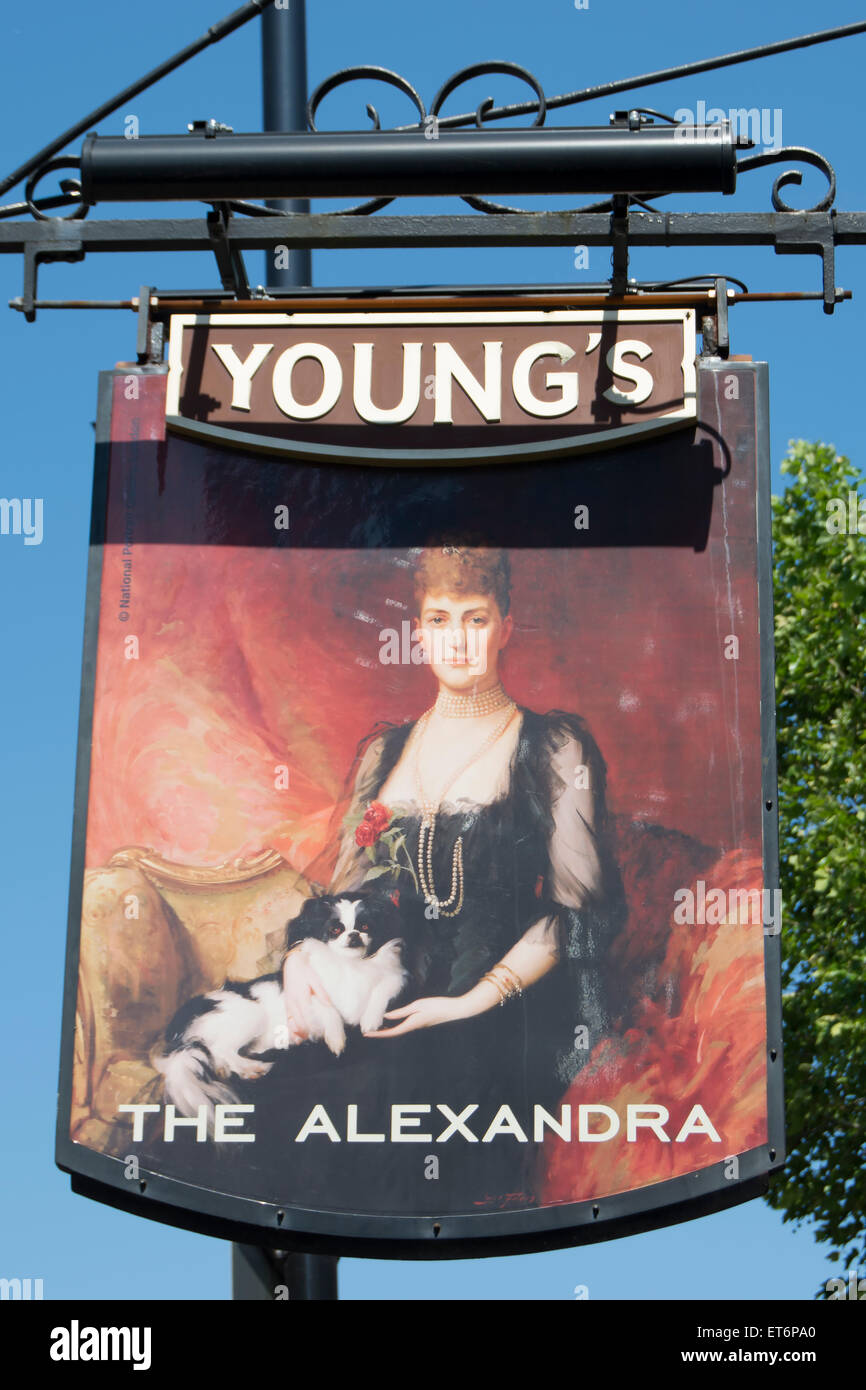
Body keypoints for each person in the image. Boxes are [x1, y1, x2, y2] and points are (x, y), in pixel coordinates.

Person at [263, 544, 625, 1215]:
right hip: (388, 987)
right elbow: (345, 896)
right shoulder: (384, 754)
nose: (456, 641)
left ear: (506, 627)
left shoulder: (553, 747)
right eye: (439, 619)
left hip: (502, 1007)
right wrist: (298, 963)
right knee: (284, 1096)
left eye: (475, 619)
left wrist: (468, 1002)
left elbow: (574, 913)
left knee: (417, 1087)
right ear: (419, 629)